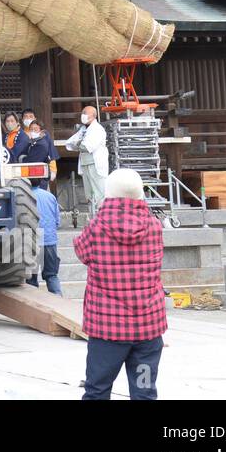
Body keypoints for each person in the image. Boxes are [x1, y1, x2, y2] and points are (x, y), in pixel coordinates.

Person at [75, 168, 166, 400]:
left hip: (108, 331)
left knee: (97, 389)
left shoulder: (96, 228)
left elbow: (81, 252)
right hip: (148, 330)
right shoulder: (154, 227)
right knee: (144, 390)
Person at [66, 105, 109, 217]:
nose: (83, 115)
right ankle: (92, 217)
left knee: (100, 192)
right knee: (89, 193)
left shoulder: (97, 129)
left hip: (95, 164)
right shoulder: (83, 129)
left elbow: (87, 146)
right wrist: (78, 143)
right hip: (85, 163)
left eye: (86, 113)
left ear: (93, 116)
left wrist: (78, 144)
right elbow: (70, 143)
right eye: (83, 113)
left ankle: (104, 217)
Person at [27, 181, 63, 296]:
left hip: (32, 242)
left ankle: (34, 305)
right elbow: (57, 221)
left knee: (31, 279)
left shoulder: (24, 196)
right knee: (51, 275)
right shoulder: (50, 196)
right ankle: (58, 301)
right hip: (50, 241)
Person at [19, 120, 58, 192]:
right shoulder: (32, 142)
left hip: (39, 179)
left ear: (41, 131)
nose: (33, 131)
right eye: (31, 129)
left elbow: (31, 160)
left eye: (35, 129)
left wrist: (22, 159)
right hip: (33, 178)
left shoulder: (41, 144)